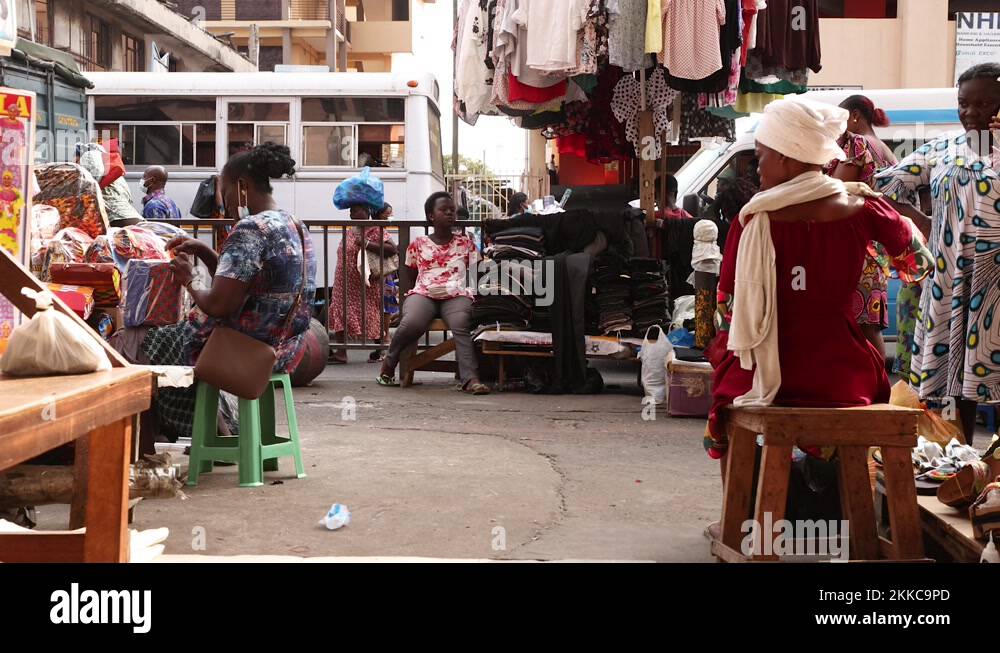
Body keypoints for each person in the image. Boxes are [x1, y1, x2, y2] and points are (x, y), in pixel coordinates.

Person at [705, 97, 931, 519]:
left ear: (789, 159)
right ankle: (855, 524)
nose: (757, 168)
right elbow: (919, 264)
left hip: (768, 376)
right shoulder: (864, 208)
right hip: (844, 377)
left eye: (761, 156)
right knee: (871, 370)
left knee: (726, 381)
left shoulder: (751, 220)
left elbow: (729, 310)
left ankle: (740, 521)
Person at [115, 142, 316, 440]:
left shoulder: (250, 229)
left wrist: (189, 278)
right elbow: (246, 283)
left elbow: (220, 304)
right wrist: (208, 254)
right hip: (287, 348)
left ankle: (150, 446)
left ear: (243, 187)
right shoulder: (293, 224)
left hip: (240, 350)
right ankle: (215, 431)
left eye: (228, 191)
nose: (227, 200)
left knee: (131, 343)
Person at [874, 62, 1000, 444]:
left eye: (984, 104)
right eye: (964, 103)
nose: (971, 113)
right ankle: (960, 466)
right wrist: (923, 223)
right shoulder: (945, 146)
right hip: (949, 280)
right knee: (953, 384)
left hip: (995, 286)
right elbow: (885, 184)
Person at [377, 191, 490, 395]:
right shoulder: (418, 244)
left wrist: (469, 291)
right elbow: (410, 273)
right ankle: (389, 362)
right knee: (411, 322)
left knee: (461, 325)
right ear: (431, 216)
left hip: (456, 295)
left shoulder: (466, 243)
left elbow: (476, 271)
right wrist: (417, 292)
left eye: (452, 210)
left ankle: (470, 379)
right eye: (443, 210)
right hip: (424, 294)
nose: (450, 213)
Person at [824, 94, 899, 356]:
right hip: (876, 246)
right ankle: (876, 386)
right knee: (869, 324)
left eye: (841, 120)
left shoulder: (857, 143)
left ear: (855, 116)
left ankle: (869, 387)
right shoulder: (885, 149)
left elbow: (835, 189)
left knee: (860, 325)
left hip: (856, 247)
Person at [329, 199, 398, 364]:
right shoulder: (350, 228)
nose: (351, 213)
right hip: (344, 280)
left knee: (370, 312)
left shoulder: (375, 229)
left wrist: (367, 243)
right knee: (339, 308)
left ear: (367, 212)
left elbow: (392, 249)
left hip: (366, 281)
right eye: (351, 210)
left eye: (356, 210)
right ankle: (341, 352)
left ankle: (380, 348)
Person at [77, 143, 143, 225]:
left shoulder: (92, 171)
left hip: (118, 222)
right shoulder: (117, 176)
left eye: (77, 161)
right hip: (133, 219)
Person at [371, 202, 399, 363]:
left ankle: (385, 338)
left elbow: (392, 248)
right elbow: (392, 249)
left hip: (384, 274)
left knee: (385, 305)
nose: (390, 216)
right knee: (384, 305)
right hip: (383, 274)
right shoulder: (379, 229)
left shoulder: (380, 230)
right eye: (387, 213)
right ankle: (384, 338)